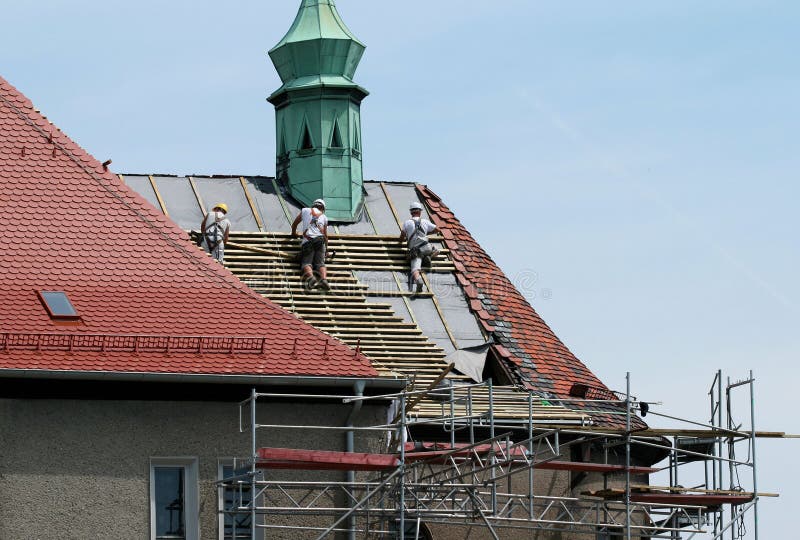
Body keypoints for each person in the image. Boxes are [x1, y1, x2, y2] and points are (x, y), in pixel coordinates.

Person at [291, 198, 330, 291]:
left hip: (308, 242)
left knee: (306, 263)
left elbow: (294, 224)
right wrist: (326, 250)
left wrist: (294, 233)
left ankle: (311, 278)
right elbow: (325, 236)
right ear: (322, 208)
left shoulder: (305, 210)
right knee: (320, 263)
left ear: (314, 205)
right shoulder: (324, 217)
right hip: (320, 241)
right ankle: (324, 280)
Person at [400, 201, 439, 293]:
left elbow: (402, 237)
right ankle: (429, 257)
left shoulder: (407, 223)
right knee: (437, 250)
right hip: (428, 248)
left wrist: (401, 241)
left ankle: (419, 281)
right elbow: (437, 230)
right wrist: (426, 233)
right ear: (420, 211)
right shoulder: (425, 221)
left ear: (411, 212)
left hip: (416, 251)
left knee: (414, 269)